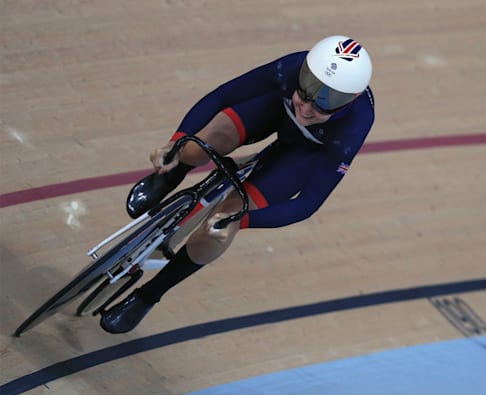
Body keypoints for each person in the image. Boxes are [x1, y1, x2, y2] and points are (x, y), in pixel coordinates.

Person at [100, 35, 375, 334]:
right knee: (198, 145)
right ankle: (171, 173)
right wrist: (176, 143)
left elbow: (307, 203)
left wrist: (241, 220)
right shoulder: (292, 66)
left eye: (324, 104)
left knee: (219, 228)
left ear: (352, 99)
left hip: (302, 155)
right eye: (305, 92)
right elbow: (222, 97)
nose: (307, 108)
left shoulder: (356, 123)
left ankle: (148, 296)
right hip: (273, 113)